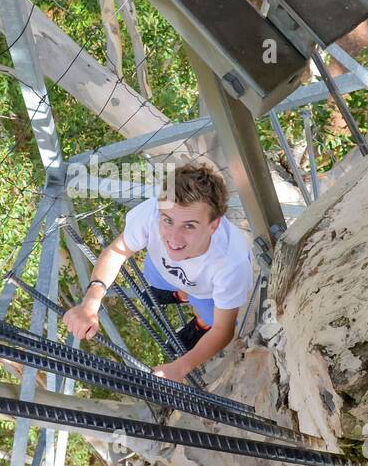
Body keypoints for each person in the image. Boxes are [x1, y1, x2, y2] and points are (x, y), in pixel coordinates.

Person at [63, 162, 253, 384]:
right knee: (154, 280)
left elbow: (223, 329)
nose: (174, 237)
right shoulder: (152, 213)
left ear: (214, 225)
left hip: (206, 291)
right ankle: (182, 294)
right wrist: (91, 301)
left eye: (189, 226)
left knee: (211, 318)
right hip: (161, 271)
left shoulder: (230, 265)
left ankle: (200, 319)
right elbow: (117, 251)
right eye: (168, 221)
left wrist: (179, 367)